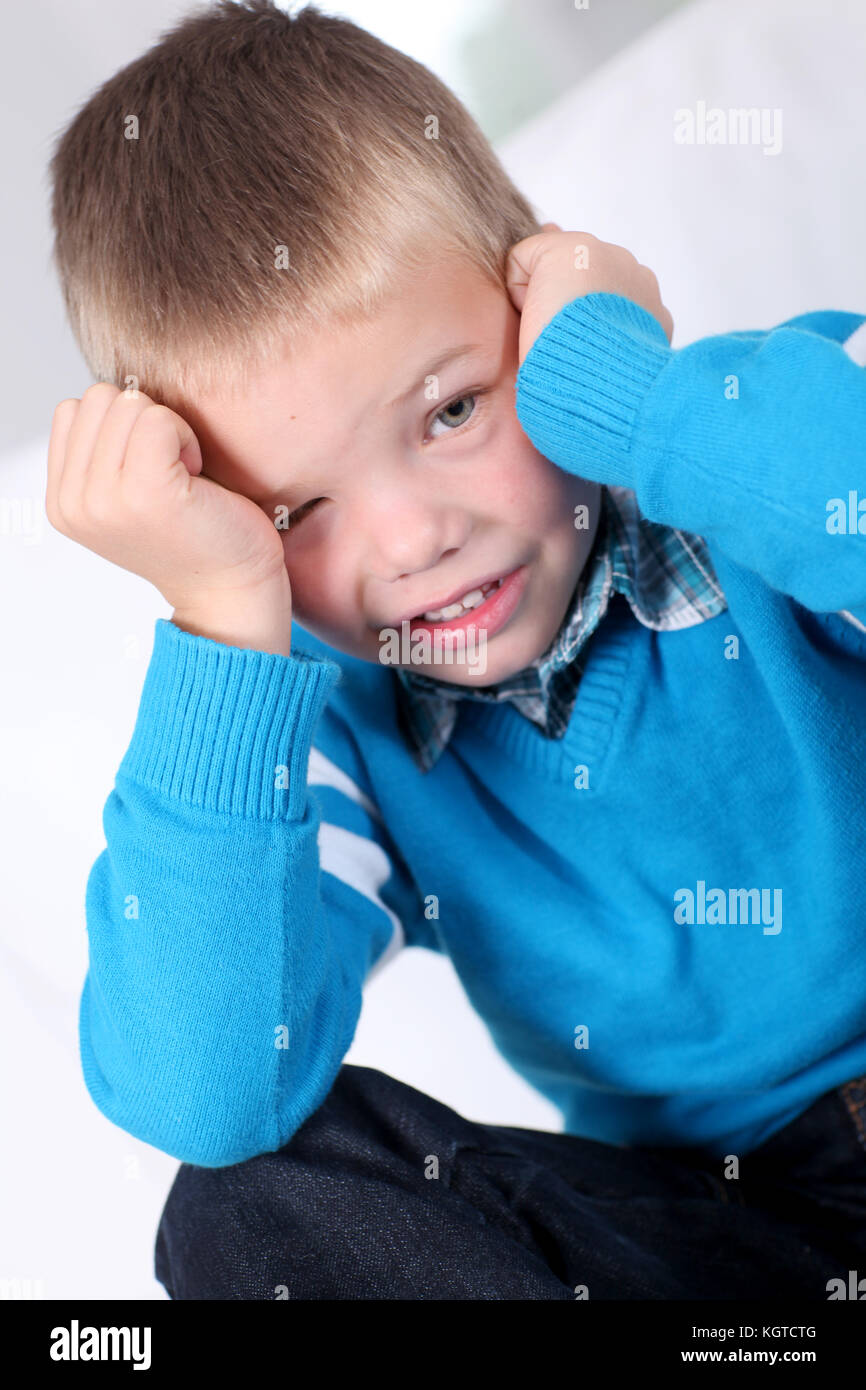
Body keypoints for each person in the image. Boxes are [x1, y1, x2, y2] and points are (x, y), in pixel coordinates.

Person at [45, 0, 866, 1299]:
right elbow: (205, 1090)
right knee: (245, 1205)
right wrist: (219, 620)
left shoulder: (755, 446)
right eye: (293, 511)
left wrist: (632, 396)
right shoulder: (339, 750)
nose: (414, 538)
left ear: (538, 300)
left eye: (451, 409)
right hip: (749, 1242)